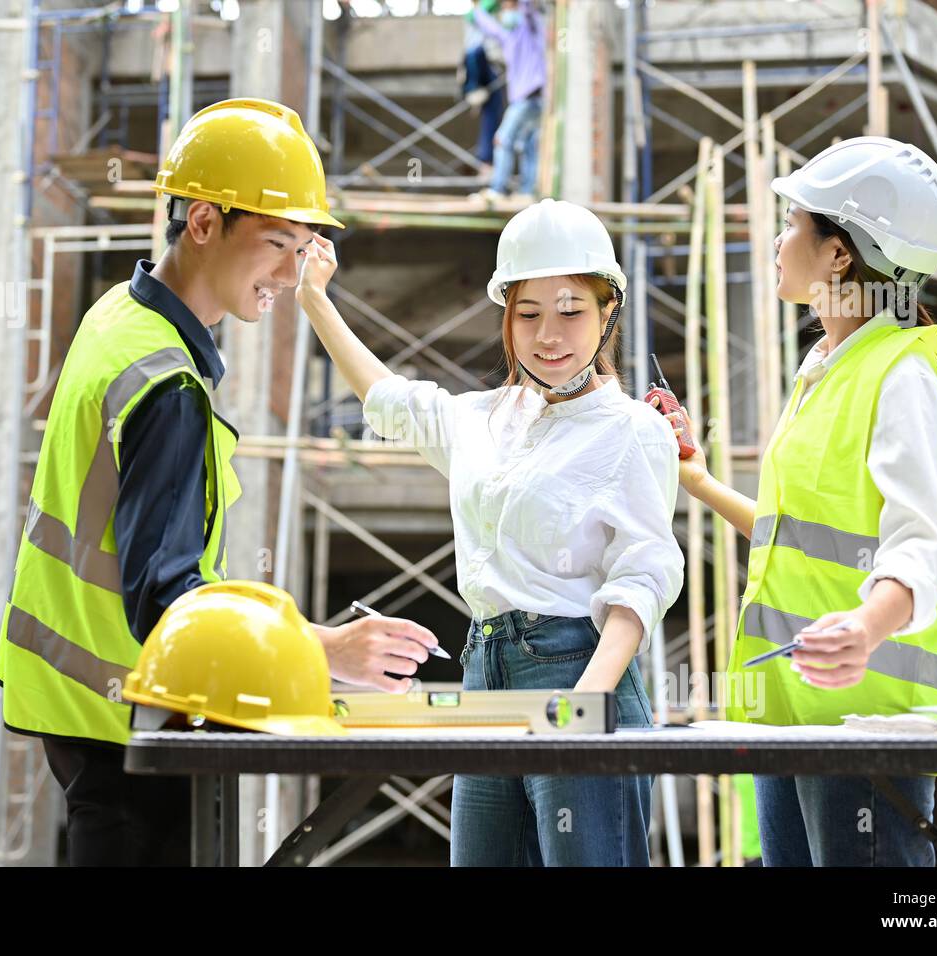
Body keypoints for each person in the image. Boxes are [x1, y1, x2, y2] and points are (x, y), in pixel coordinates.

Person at [0, 98, 443, 866]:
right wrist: (327, 647)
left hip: (85, 711)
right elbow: (168, 605)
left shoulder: (120, 319)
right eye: (276, 243)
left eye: (303, 249)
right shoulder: (166, 386)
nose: (289, 274)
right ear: (202, 222)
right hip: (133, 724)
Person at [297, 198, 683, 866]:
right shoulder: (482, 419)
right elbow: (389, 399)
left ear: (607, 313)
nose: (549, 334)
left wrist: (585, 703)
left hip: (578, 669)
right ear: (506, 318)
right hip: (486, 670)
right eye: (528, 314)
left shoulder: (632, 430)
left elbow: (645, 578)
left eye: (571, 312)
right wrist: (313, 301)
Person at [656, 136, 937, 866]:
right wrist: (699, 481)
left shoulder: (904, 373)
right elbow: (794, 537)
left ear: (840, 253)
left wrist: (866, 626)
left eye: (793, 220)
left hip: (862, 724)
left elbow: (921, 547)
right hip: (788, 709)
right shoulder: (829, 365)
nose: (776, 238)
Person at [471, 0, 546, 203]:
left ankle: (498, 189)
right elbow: (490, 27)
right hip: (535, 100)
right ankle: (526, 192)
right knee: (527, 145)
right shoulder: (509, 37)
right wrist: (477, 9)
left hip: (528, 98)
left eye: (507, 7)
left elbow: (529, 7)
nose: (505, 12)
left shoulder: (529, 28)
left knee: (503, 139)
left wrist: (519, 6)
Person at [461, 0, 506, 181]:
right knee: (476, 52)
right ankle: (474, 89)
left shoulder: (484, 13)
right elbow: (483, 9)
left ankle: (486, 163)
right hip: (480, 68)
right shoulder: (475, 13)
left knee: (492, 116)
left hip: (487, 72)